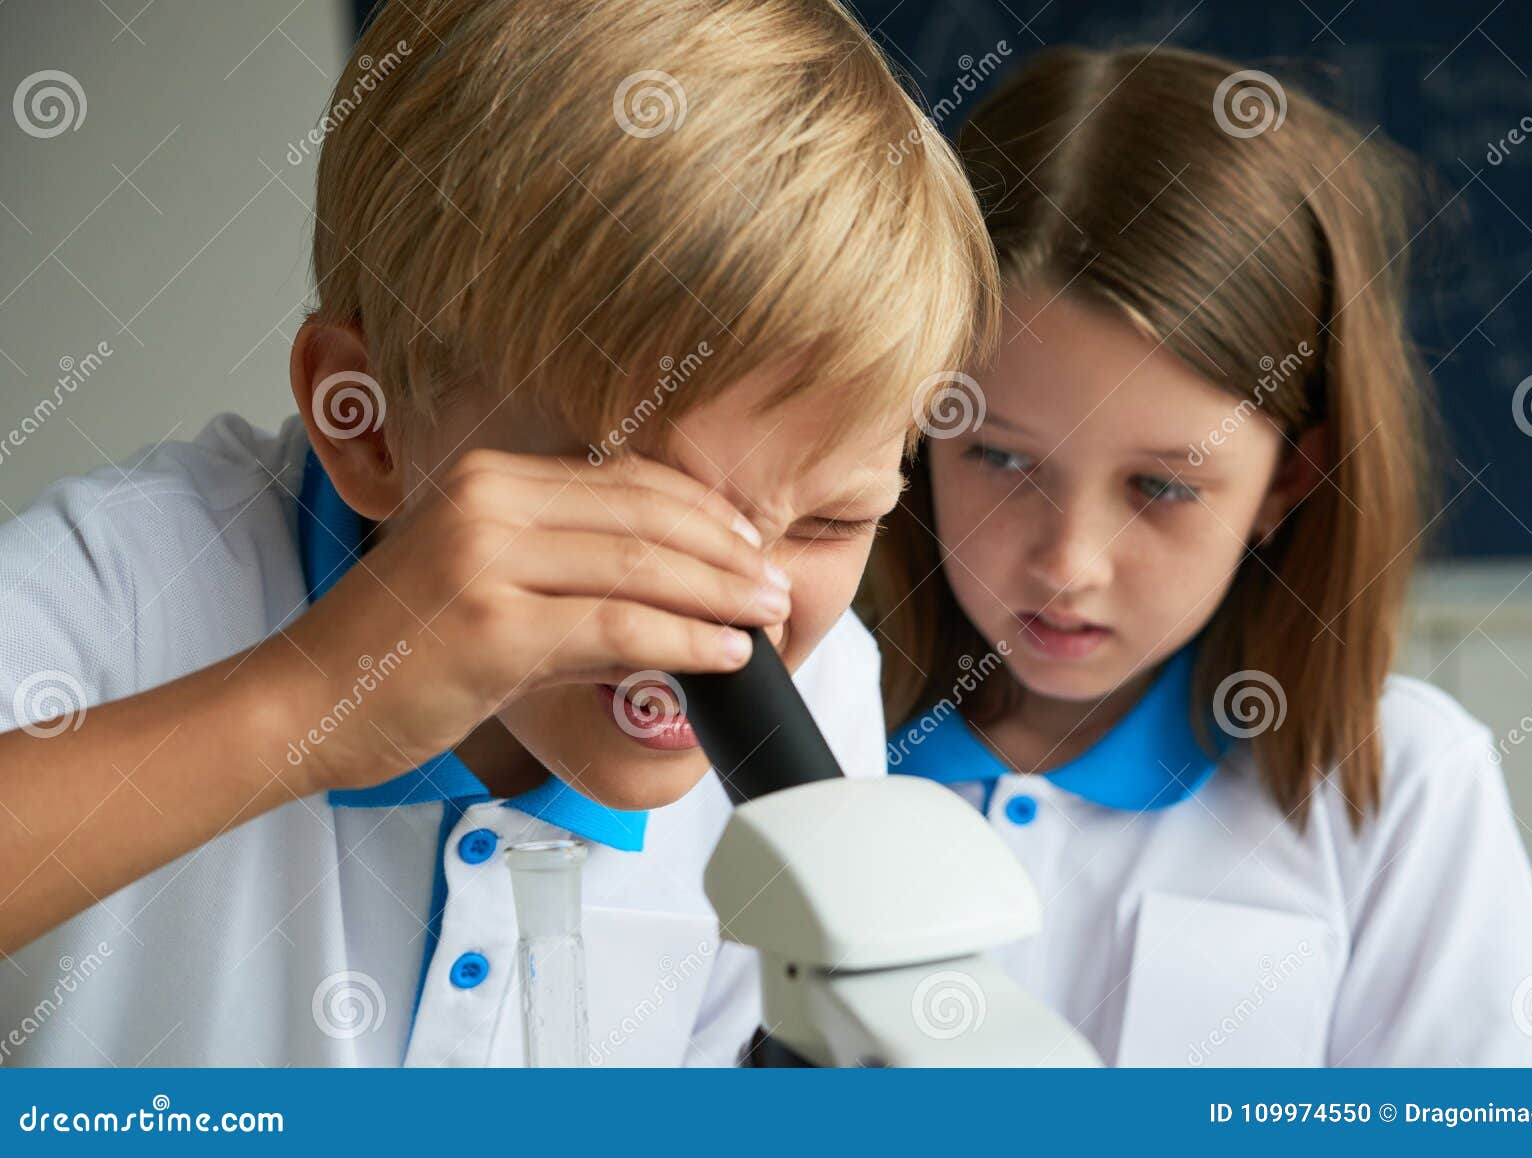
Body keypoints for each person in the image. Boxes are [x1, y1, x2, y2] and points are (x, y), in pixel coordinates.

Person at [0, 0, 998, 1066]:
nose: (736, 609)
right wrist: (305, 705)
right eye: (648, 519)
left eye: (830, 521)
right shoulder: (120, 596)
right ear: (369, 420)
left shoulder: (823, 699)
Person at [863, 45, 1532, 1066]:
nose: (1067, 565)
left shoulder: (1396, 788)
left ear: (1288, 479)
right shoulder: (780, 743)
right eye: (1001, 457)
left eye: (1159, 487)